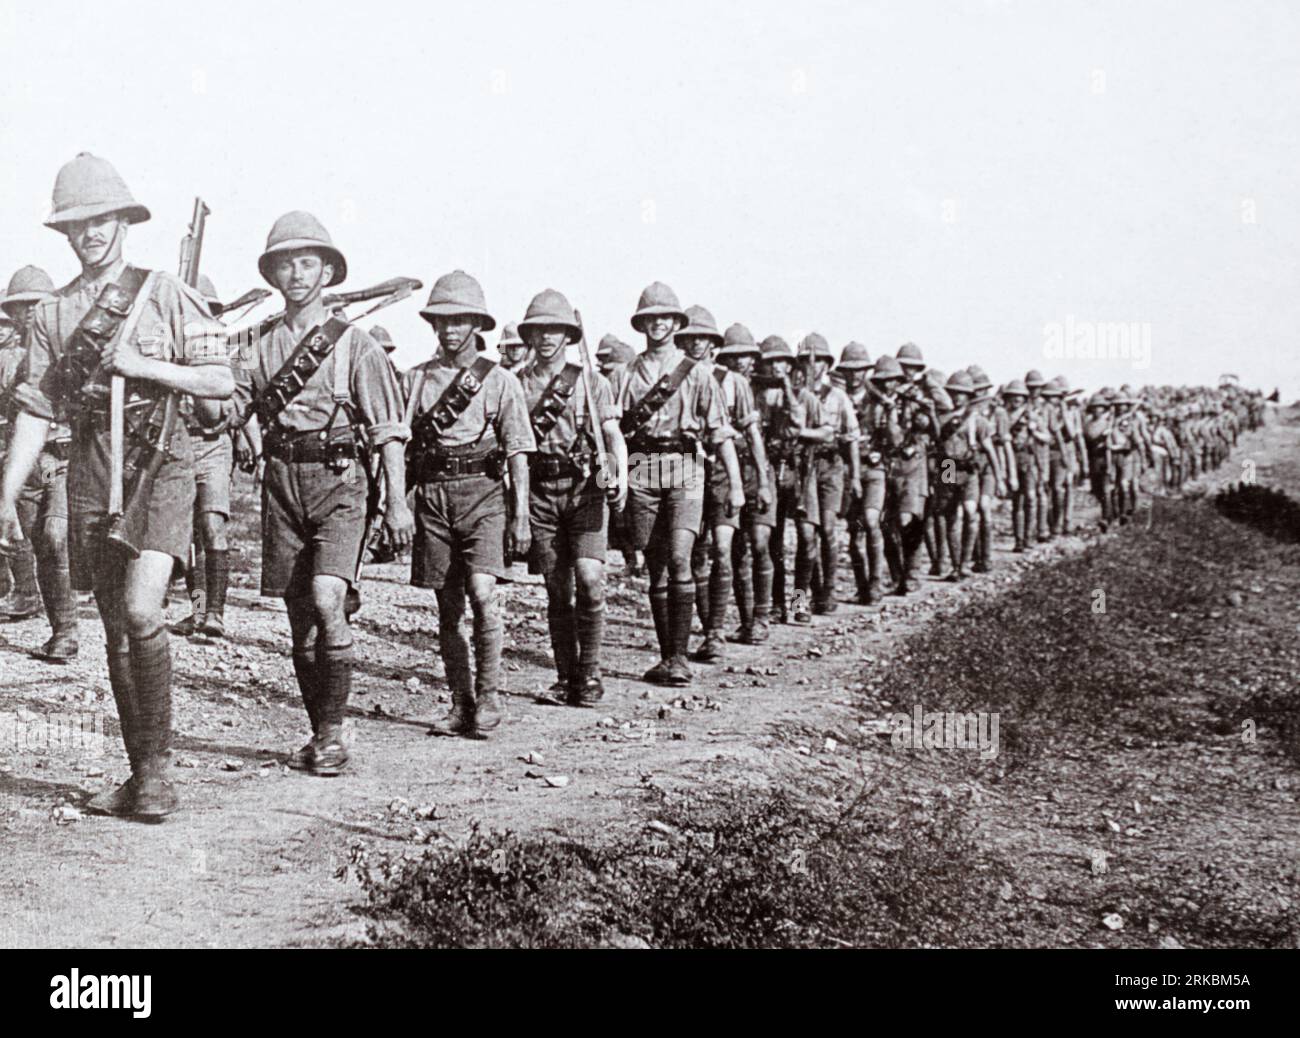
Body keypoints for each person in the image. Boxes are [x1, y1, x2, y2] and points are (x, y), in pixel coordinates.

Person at [0, 153, 232, 819]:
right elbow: (37, 411)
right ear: (65, 234)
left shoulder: (164, 291)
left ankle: (158, 771)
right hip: (92, 465)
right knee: (113, 628)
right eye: (78, 224)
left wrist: (150, 367)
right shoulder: (51, 314)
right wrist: (7, 492)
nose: (91, 233)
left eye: (101, 219)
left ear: (123, 222)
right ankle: (142, 775)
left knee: (140, 610)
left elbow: (220, 382)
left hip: (162, 458)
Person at [231, 210, 413, 775]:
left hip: (340, 481)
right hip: (282, 483)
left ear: (327, 271)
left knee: (328, 599)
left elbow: (388, 431)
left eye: (307, 262)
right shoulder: (257, 344)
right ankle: (318, 729)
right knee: (300, 618)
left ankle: (334, 732)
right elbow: (230, 403)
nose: (295, 274)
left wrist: (398, 503)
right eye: (284, 264)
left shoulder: (355, 345)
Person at [404, 270, 534, 734]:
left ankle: (490, 698)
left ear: (477, 323)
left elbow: (517, 451)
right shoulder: (416, 380)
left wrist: (520, 516)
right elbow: (401, 445)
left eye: (460, 320)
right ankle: (461, 700)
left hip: (484, 495)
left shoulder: (500, 382)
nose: (451, 329)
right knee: (448, 607)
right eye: (442, 321)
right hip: (435, 499)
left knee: (483, 594)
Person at [616, 282, 739, 686]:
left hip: (685, 468)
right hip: (640, 471)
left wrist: (735, 485)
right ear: (642, 324)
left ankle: (680, 659)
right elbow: (610, 432)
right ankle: (666, 655)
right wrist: (609, 480)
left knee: (682, 557)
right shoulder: (626, 373)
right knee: (656, 569)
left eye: (665, 317)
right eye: (650, 318)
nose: (658, 324)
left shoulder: (698, 373)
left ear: (675, 322)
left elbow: (720, 433)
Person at [515, 288, 626, 705]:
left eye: (555, 330)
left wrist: (618, 476)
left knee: (591, 579)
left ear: (568, 335)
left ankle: (591, 673)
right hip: (540, 493)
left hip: (584, 491)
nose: (546, 338)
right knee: (557, 589)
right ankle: (566, 678)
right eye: (539, 330)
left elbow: (613, 437)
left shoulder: (592, 382)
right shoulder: (517, 384)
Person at [1, 265, 79, 662]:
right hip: (28, 464)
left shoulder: (70, 353)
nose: (29, 313)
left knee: (54, 537)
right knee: (40, 546)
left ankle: (67, 630)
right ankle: (60, 630)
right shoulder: (7, 361)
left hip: (61, 460)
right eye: (20, 307)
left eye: (36, 305)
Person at [682, 308, 769, 660]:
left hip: (727, 472)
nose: (695, 343)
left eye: (702, 337)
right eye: (689, 337)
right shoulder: (673, 378)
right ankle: (711, 629)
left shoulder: (733, 381)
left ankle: (746, 621)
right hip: (686, 472)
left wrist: (762, 481)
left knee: (730, 547)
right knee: (695, 554)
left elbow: (752, 432)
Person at [172, 275, 233, 638]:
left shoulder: (231, 351)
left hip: (212, 446)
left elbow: (224, 412)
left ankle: (216, 613)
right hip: (179, 444)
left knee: (212, 526)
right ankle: (196, 612)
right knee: (190, 537)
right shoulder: (166, 349)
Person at [754, 335, 820, 624]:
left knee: (807, 537)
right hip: (770, 468)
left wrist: (788, 393)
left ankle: (799, 601)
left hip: (801, 471)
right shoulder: (755, 395)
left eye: (781, 361)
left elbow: (808, 428)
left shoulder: (805, 396)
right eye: (770, 362)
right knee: (772, 541)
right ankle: (779, 603)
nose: (776, 367)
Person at [717, 323, 776, 643]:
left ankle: (795, 608)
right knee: (739, 548)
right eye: (733, 356)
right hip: (731, 469)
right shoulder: (718, 384)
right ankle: (750, 620)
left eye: (746, 356)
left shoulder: (778, 392)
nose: (741, 362)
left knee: (805, 542)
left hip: (784, 470)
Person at [801, 333, 859, 615]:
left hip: (831, 466)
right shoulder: (796, 395)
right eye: (808, 362)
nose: (814, 367)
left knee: (827, 529)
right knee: (805, 535)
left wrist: (855, 476)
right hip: (803, 468)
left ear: (827, 365)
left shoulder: (838, 397)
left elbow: (851, 437)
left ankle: (828, 591)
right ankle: (801, 600)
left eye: (820, 362)